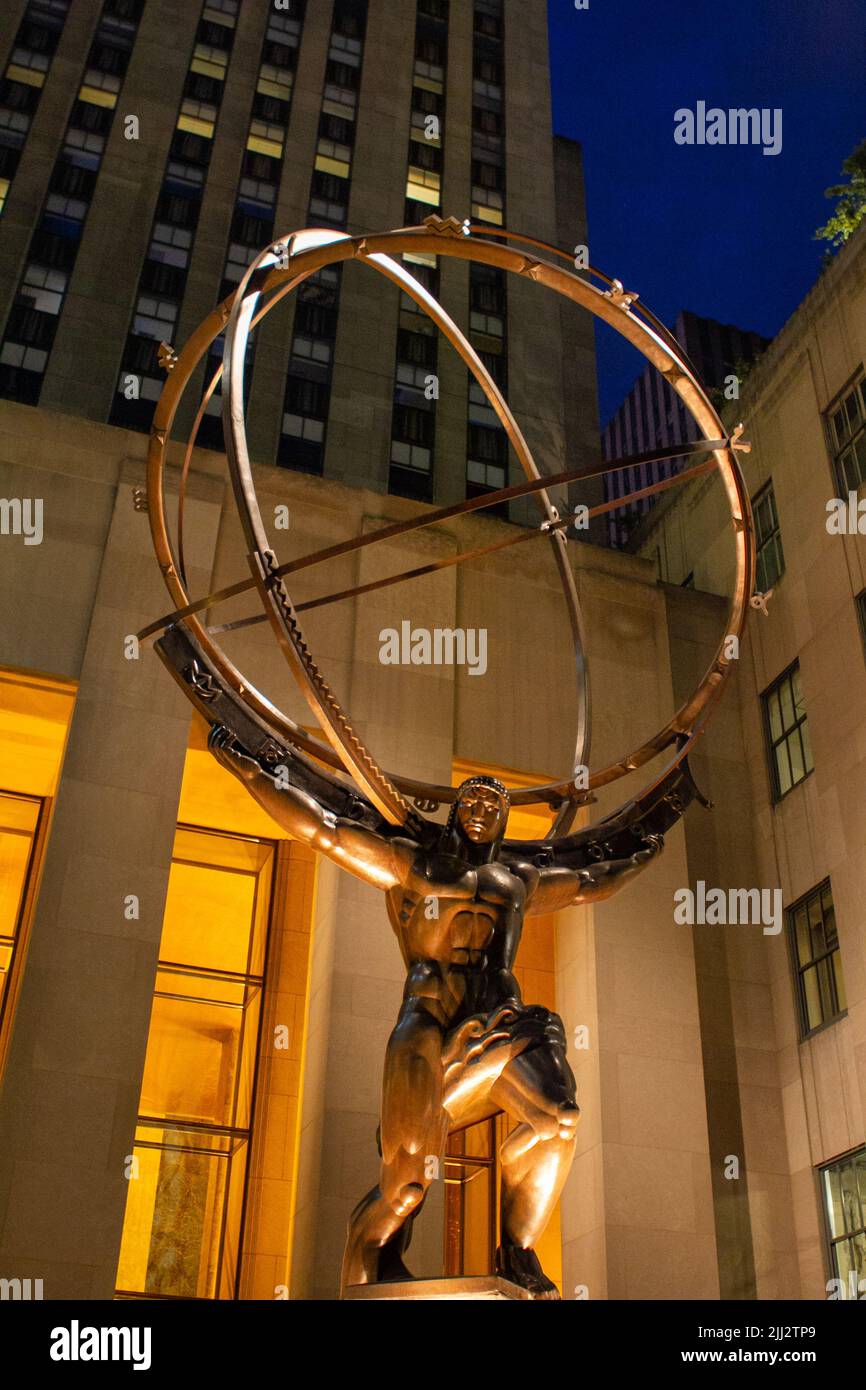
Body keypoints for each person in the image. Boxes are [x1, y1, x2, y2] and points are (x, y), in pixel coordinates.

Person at [210, 728, 663, 1298]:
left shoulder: (516, 880)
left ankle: (518, 1250)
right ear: (452, 813)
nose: (480, 811)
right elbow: (325, 829)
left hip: (502, 1018)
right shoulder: (415, 864)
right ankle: (367, 1258)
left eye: (493, 805)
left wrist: (651, 843)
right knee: (405, 1187)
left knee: (559, 1118)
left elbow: (593, 882)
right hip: (428, 1024)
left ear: (503, 820)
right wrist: (252, 771)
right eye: (470, 801)